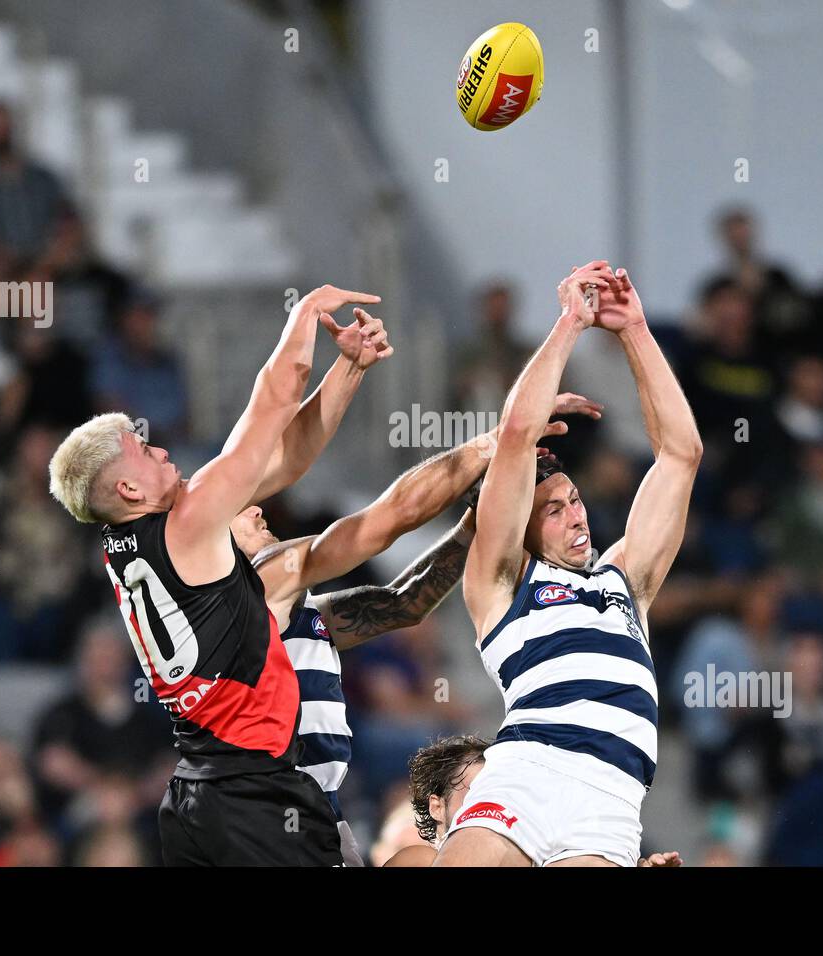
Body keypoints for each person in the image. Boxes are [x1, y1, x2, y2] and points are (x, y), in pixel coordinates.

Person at [47, 283, 384, 866]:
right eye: (144, 453)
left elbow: (288, 456)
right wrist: (303, 315)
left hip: (193, 797)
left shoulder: (126, 544)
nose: (161, 453)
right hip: (254, 793)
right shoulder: (191, 519)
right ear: (129, 489)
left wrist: (349, 368)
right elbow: (276, 399)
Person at [240, 389, 601, 864]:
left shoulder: (292, 612)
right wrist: (497, 444)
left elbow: (405, 603)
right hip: (270, 813)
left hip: (315, 810)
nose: (257, 510)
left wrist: (479, 518)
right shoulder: (245, 593)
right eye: (239, 511)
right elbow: (388, 519)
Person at [437, 261, 702, 867]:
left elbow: (681, 455)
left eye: (576, 500)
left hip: (612, 790)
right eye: (553, 510)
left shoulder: (623, 581)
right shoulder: (505, 580)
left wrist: (633, 330)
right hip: (528, 766)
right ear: (521, 532)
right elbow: (514, 439)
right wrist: (569, 325)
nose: (577, 514)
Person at [385, 735, 681, 867]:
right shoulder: (417, 860)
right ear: (436, 806)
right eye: (477, 792)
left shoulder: (544, 850)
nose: (491, 803)